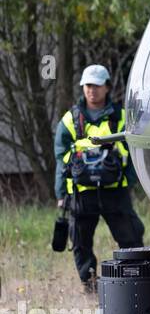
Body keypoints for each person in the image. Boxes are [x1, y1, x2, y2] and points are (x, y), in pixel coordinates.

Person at [53, 64, 144, 291]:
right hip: (82, 194)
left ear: (107, 87)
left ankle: (134, 282)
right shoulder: (70, 119)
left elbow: (136, 151)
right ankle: (90, 284)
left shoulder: (122, 117)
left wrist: (130, 179)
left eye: (97, 85)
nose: (91, 90)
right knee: (80, 243)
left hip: (115, 191)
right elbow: (61, 157)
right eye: (88, 86)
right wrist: (61, 194)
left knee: (130, 239)